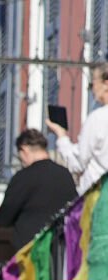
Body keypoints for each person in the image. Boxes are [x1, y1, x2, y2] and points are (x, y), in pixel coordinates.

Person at [0, 129, 77, 246]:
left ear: (24, 150)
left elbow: (0, 221)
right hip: (60, 250)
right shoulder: (65, 175)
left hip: (31, 252)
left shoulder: (23, 178)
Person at [51, 64, 108, 193]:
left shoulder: (97, 118)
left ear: (105, 84)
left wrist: (61, 136)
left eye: (93, 83)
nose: (92, 89)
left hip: (98, 194)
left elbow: (77, 162)